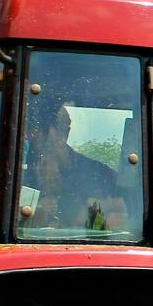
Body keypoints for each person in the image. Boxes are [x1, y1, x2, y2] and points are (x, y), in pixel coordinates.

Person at [21, 95, 129, 233]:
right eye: (28, 131)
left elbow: (113, 230)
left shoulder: (100, 176)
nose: (28, 137)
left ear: (62, 133)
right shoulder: (20, 173)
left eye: (33, 131)